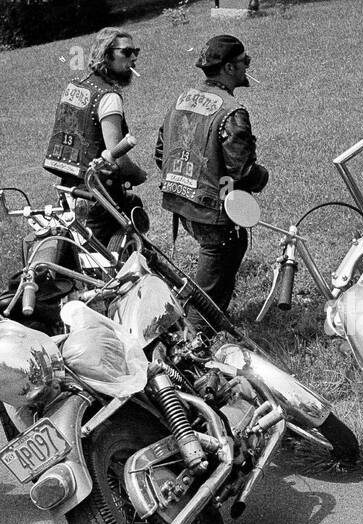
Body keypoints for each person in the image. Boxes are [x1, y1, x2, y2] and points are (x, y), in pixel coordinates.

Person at [155, 35, 269, 313]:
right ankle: (197, 332)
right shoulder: (232, 112)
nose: (247, 67)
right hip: (209, 208)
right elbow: (239, 171)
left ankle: (214, 318)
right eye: (245, 61)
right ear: (229, 68)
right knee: (220, 255)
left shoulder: (183, 99)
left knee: (232, 246)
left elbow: (160, 153)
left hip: (179, 198)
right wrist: (262, 177)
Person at [43, 27, 148, 245]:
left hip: (69, 187)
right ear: (106, 54)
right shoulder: (108, 97)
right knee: (102, 262)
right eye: (127, 52)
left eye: (135, 51)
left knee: (78, 252)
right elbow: (116, 153)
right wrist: (137, 174)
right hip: (98, 195)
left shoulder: (76, 87)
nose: (134, 58)